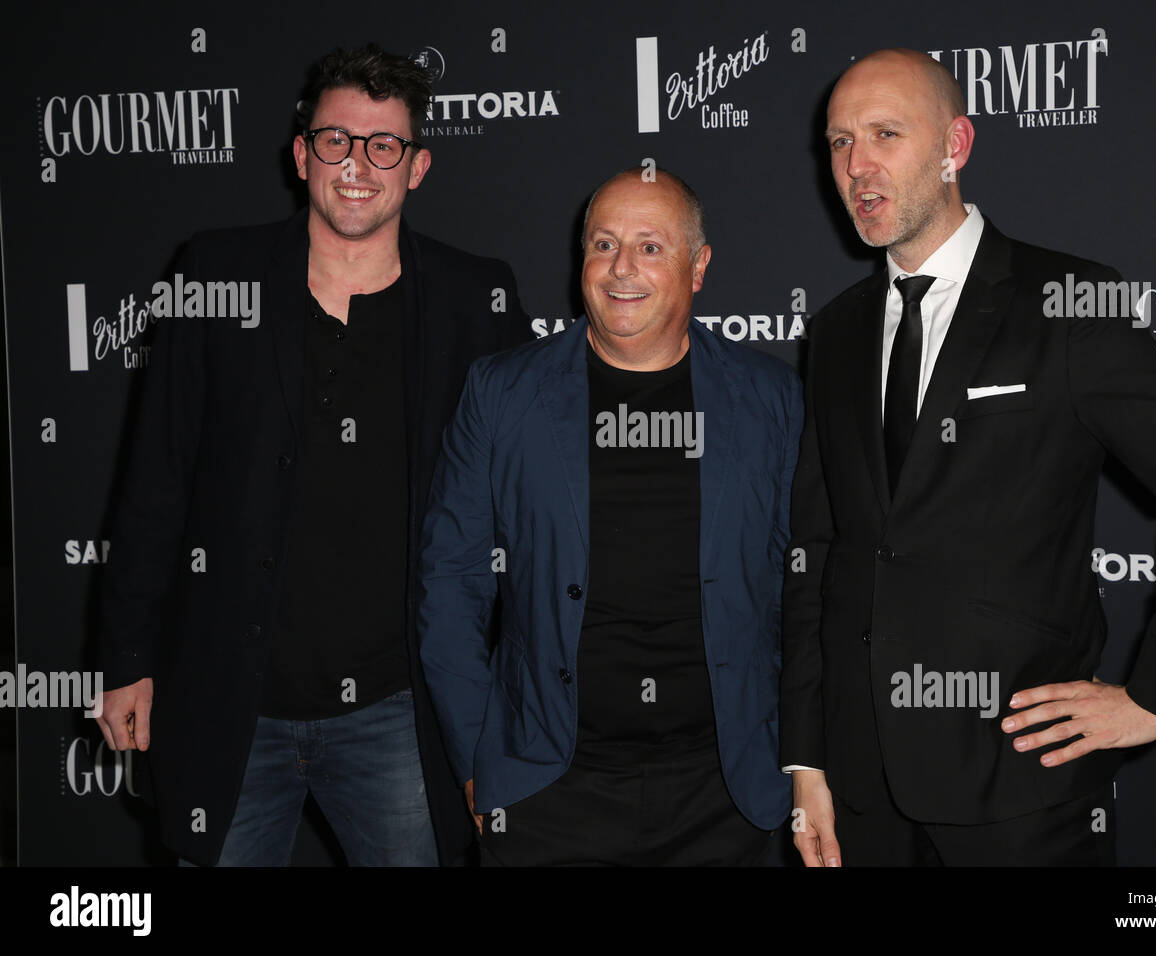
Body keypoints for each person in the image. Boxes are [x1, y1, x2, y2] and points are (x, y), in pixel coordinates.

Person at [781, 49, 1156, 866]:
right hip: (861, 792)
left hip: (1020, 791)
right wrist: (807, 758)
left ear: (956, 145)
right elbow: (819, 552)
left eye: (885, 134)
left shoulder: (1069, 302)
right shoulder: (837, 330)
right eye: (838, 142)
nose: (856, 166)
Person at [95, 44, 530, 866]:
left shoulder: (480, 300)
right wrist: (125, 660)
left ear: (418, 166)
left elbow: (519, 510)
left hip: (401, 710)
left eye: (383, 145)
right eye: (336, 141)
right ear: (302, 156)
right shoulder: (213, 275)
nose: (357, 165)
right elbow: (154, 480)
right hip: (230, 696)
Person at [417, 168, 801, 865]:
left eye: (651, 247)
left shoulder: (772, 399)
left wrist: (799, 756)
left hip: (727, 793)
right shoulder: (502, 394)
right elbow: (450, 583)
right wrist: (480, 759)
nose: (622, 268)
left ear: (699, 267)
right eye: (603, 243)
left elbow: (803, 592)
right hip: (548, 789)